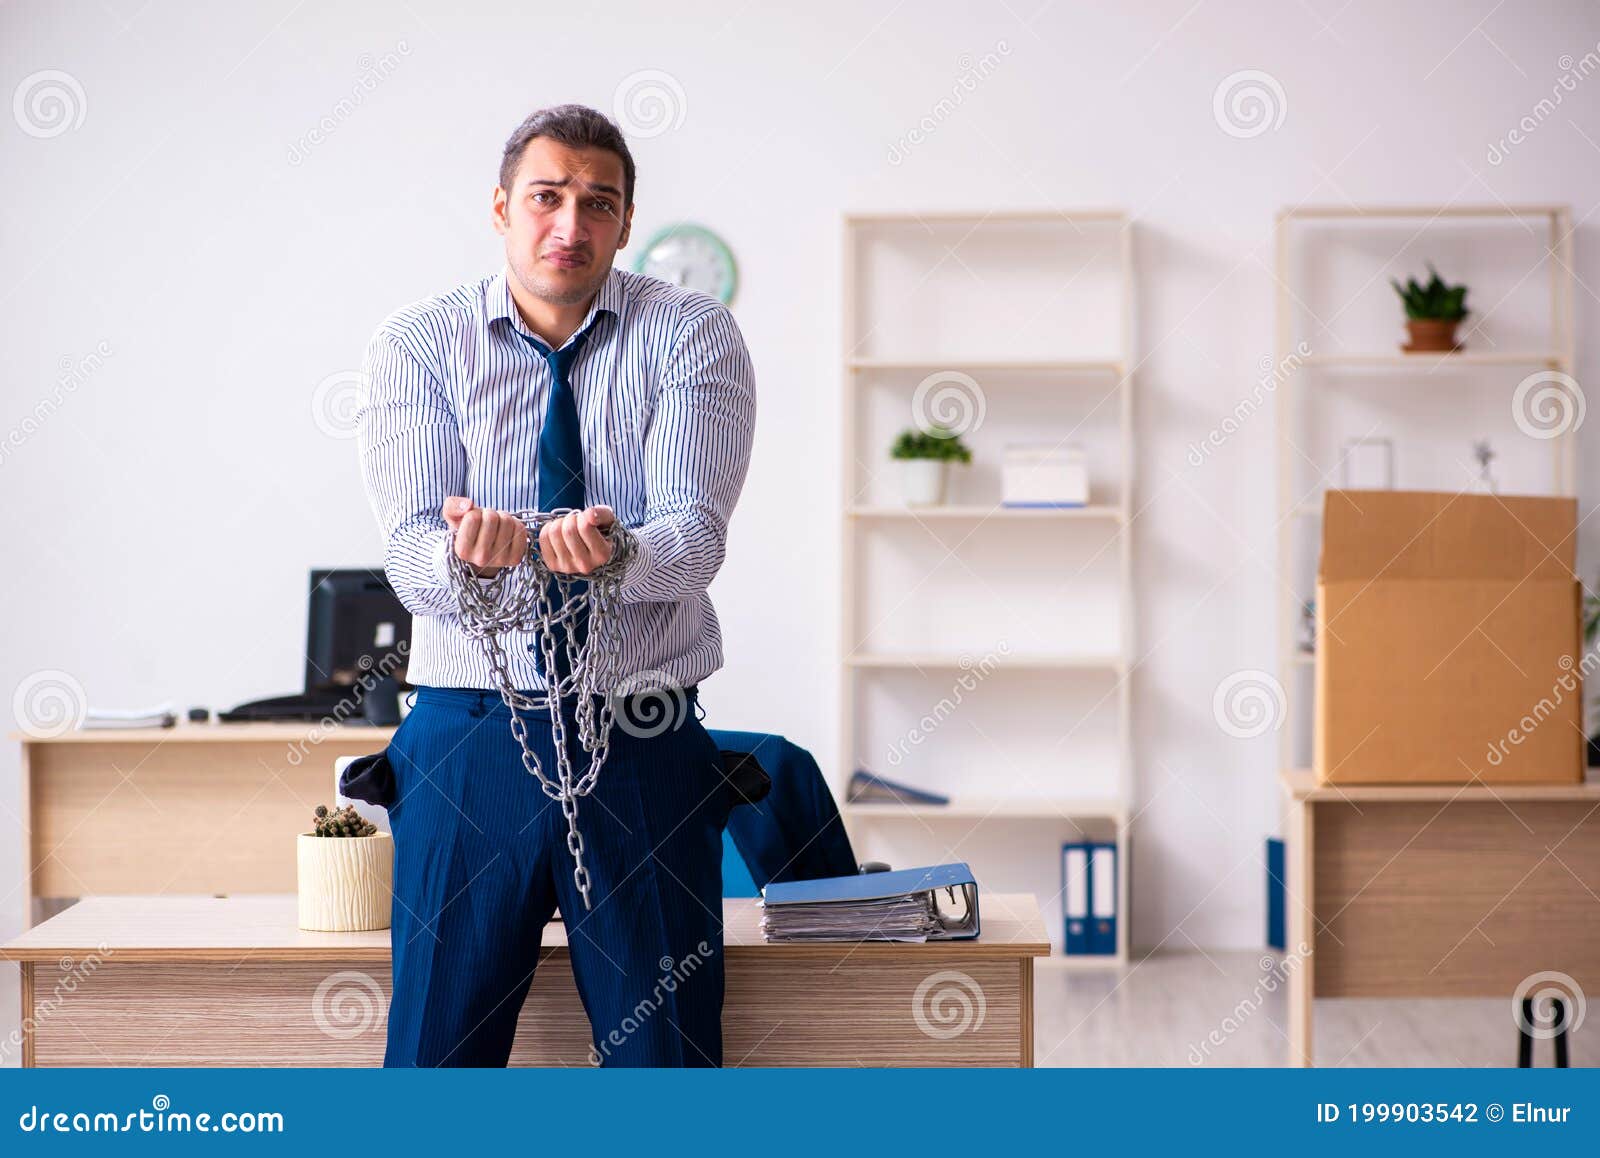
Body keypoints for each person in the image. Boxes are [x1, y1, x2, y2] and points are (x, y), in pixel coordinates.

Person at [355, 103, 757, 1067]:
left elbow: (693, 541)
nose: (569, 226)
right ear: (501, 208)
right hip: (469, 738)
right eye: (546, 197)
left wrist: (615, 557)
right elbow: (411, 558)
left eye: (598, 203)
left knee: (667, 1064)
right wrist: (466, 561)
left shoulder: (694, 338)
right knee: (435, 1062)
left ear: (625, 220)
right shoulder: (418, 346)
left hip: (642, 742)